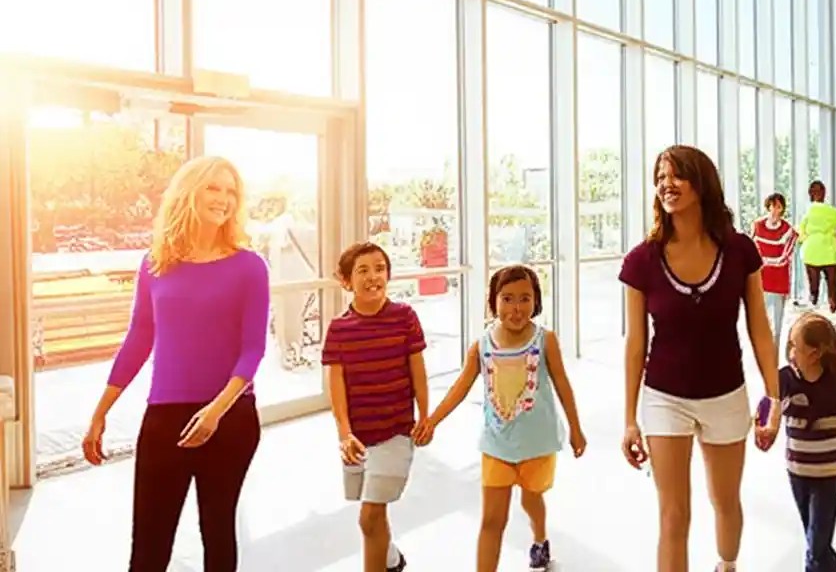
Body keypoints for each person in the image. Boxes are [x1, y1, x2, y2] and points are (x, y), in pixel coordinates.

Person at [82, 156, 269, 572]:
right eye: (213, 188)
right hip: (166, 415)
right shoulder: (155, 264)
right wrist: (100, 412)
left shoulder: (250, 267)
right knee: (148, 543)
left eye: (230, 190)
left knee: (217, 532)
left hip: (229, 417)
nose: (223, 199)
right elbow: (138, 340)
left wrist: (215, 412)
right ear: (189, 192)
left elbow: (253, 350)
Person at [619, 145, 781, 572]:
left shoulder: (740, 251)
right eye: (660, 177)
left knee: (725, 501)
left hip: (726, 394)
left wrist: (774, 398)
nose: (666, 184)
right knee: (674, 515)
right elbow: (636, 345)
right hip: (663, 398)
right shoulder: (642, 261)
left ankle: (727, 565)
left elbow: (759, 329)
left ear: (701, 181)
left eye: (676, 175)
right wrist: (630, 418)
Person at [427, 265, 586, 572]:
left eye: (525, 299)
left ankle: (540, 537)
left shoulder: (545, 340)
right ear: (493, 301)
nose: (516, 308)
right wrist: (432, 420)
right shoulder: (481, 345)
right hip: (497, 445)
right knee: (491, 520)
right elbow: (460, 388)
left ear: (536, 301)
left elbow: (563, 385)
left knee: (531, 500)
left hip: (537, 445)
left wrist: (576, 430)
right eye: (508, 298)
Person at [322, 242, 432, 572]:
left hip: (396, 431)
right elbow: (336, 386)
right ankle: (391, 559)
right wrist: (344, 433)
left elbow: (418, 370)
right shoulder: (339, 329)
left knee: (369, 514)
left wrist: (425, 416)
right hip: (359, 436)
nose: (374, 277)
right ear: (345, 281)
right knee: (373, 515)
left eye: (380, 269)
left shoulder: (404, 317)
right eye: (363, 270)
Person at [780, 313, 836, 572]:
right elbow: (768, 411)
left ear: (815, 353)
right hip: (797, 469)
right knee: (814, 534)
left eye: (795, 345)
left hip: (829, 471)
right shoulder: (785, 378)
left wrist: (824, 418)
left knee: (817, 542)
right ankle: (829, 565)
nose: (790, 351)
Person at [752, 193, 797, 347]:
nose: (774, 210)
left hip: (778, 282)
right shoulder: (757, 226)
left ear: (782, 209)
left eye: (778, 207)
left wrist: (764, 261)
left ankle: (773, 362)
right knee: (760, 324)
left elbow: (785, 258)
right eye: (772, 206)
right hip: (760, 282)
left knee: (776, 327)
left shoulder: (788, 231)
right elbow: (753, 249)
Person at [797, 181, 836, 317]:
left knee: (814, 288)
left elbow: (801, 233)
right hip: (829, 251)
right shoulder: (833, 212)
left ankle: (814, 310)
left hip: (811, 251)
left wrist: (807, 238)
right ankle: (833, 312)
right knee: (832, 288)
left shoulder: (808, 211)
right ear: (824, 193)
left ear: (810, 194)